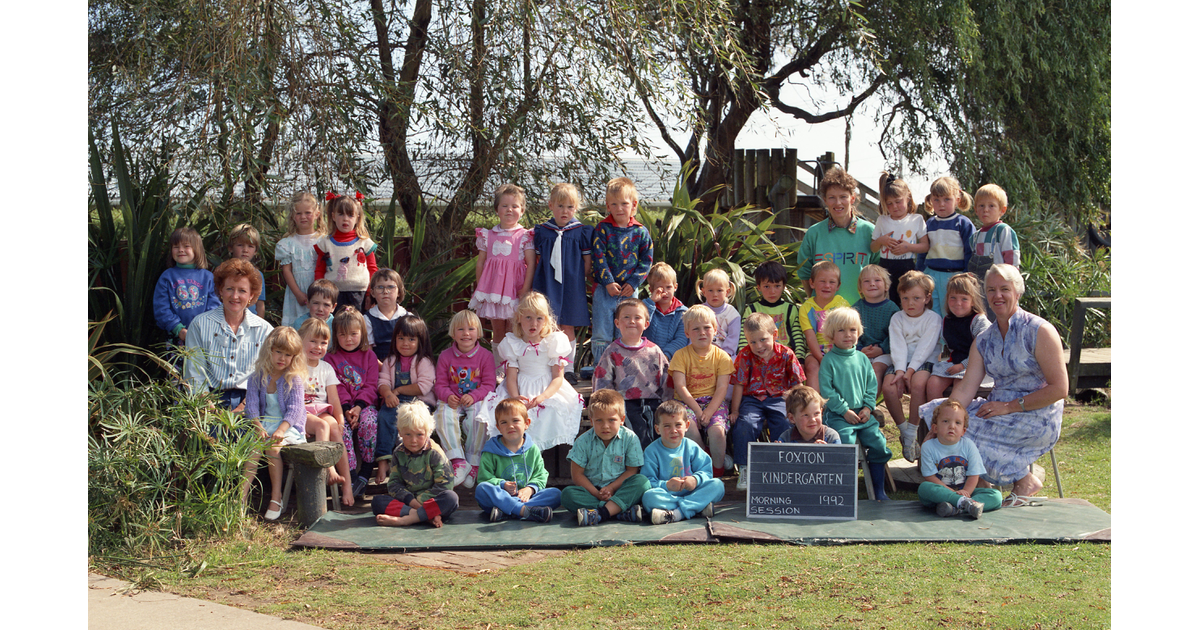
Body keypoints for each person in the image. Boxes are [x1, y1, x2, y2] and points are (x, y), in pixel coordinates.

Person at [918, 264, 1067, 507]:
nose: (997, 295)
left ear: (1018, 292)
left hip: (1037, 413)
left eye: (1004, 289)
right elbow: (966, 389)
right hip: (996, 407)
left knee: (968, 431)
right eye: (991, 290)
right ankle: (980, 491)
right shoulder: (984, 338)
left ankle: (1024, 480)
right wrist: (942, 420)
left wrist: (1009, 407)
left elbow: (1060, 389)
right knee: (943, 417)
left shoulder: (1040, 330)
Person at [475, 292, 583, 453]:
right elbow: (511, 378)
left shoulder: (553, 342)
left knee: (549, 410)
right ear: (519, 318)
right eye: (528, 318)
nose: (534, 323)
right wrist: (515, 396)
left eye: (539, 318)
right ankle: (513, 452)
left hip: (547, 386)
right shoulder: (513, 343)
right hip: (520, 386)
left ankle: (535, 455)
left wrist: (543, 397)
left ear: (546, 320)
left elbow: (557, 378)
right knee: (508, 410)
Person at [817, 307, 891, 500]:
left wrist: (868, 407)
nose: (848, 335)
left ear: (858, 332)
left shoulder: (862, 358)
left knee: (878, 442)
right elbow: (827, 391)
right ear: (831, 334)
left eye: (852, 330)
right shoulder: (829, 361)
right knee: (845, 445)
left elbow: (871, 385)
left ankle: (878, 490)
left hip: (863, 414)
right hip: (838, 415)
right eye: (841, 330)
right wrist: (844, 411)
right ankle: (844, 490)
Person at [184, 258, 274, 414]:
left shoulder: (265, 330)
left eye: (242, 290)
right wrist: (209, 408)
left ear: (252, 295)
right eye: (230, 289)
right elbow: (194, 373)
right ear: (220, 290)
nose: (235, 296)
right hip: (208, 403)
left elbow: (270, 374)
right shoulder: (199, 325)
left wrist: (246, 405)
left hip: (252, 404)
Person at [729, 312, 805, 490]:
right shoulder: (745, 355)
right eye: (753, 342)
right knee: (745, 424)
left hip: (780, 397)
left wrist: (797, 409)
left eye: (763, 339)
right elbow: (739, 384)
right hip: (752, 398)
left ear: (775, 334)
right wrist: (735, 410)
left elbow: (798, 384)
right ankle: (745, 467)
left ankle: (782, 466)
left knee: (784, 422)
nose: (758, 346)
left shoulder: (786, 354)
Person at [243, 326, 309, 520]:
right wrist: (257, 426)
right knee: (252, 448)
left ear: (294, 357)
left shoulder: (293, 379)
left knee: (273, 448)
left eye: (288, 355)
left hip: (288, 427)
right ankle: (241, 497)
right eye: (278, 352)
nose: (282, 358)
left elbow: (296, 410)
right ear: (269, 350)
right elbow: (251, 407)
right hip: (264, 424)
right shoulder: (257, 377)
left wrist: (281, 429)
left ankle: (276, 496)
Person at [562, 389, 651, 526]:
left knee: (642, 482)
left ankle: (599, 514)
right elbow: (577, 475)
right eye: (599, 420)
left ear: (621, 420)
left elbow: (632, 471)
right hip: (592, 491)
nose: (605, 426)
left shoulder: (630, 438)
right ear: (591, 421)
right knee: (568, 495)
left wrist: (611, 488)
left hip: (619, 489)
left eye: (611, 420)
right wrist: (597, 494)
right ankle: (619, 511)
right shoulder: (582, 441)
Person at [590, 176, 653, 369]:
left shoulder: (640, 232)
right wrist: (607, 281)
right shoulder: (602, 229)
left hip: (628, 290)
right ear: (608, 206)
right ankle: (601, 365)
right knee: (602, 329)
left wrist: (633, 283)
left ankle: (624, 364)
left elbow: (646, 260)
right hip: (604, 289)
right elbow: (598, 257)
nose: (619, 208)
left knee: (626, 327)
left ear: (633, 205)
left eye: (624, 204)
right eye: (614, 204)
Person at [532, 182, 593, 380]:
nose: (565, 211)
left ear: (575, 208)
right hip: (547, 283)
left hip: (572, 285)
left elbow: (587, 261)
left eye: (569, 207)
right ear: (551, 205)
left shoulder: (581, 232)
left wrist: (577, 279)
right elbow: (538, 258)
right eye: (560, 206)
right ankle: (547, 367)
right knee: (546, 324)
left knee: (568, 325)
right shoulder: (542, 231)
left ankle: (567, 369)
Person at [593, 298, 672, 449]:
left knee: (660, 434)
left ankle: (658, 466)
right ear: (617, 323)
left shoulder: (654, 351)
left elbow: (666, 380)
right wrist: (606, 406)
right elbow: (602, 381)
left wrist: (666, 403)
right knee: (637, 436)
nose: (632, 321)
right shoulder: (612, 351)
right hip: (625, 403)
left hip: (654, 402)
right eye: (626, 317)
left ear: (646, 324)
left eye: (637, 317)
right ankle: (638, 468)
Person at [881, 270, 942, 462]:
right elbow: (897, 346)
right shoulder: (897, 318)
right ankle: (905, 433)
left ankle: (913, 430)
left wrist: (909, 372)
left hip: (924, 361)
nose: (910, 303)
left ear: (927, 298)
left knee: (918, 385)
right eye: (905, 298)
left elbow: (926, 347)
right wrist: (900, 371)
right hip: (901, 361)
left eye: (916, 298)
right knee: (888, 387)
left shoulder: (933, 318)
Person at [433, 310, 497, 489]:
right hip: (452, 399)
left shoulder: (485, 356)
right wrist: (447, 396)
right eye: (460, 329)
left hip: (476, 399)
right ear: (453, 333)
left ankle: (473, 462)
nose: (466, 333)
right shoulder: (446, 356)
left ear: (479, 332)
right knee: (442, 415)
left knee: (479, 417)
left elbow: (489, 384)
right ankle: (458, 460)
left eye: (471, 328)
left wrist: (474, 395)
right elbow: (440, 385)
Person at [796, 165, 878, 304]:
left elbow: (880, 271)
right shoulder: (814, 234)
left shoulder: (870, 232)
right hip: (824, 316)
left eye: (843, 197)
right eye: (832, 197)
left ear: (852, 198)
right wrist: (816, 304)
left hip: (861, 314)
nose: (838, 202)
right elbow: (804, 273)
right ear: (825, 200)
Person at [669, 305, 735, 478]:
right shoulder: (681, 355)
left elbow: (722, 388)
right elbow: (680, 387)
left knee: (717, 432)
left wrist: (709, 411)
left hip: (714, 402)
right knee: (687, 428)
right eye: (696, 329)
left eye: (707, 328)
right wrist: (698, 412)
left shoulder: (722, 357)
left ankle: (718, 471)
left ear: (715, 330)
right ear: (687, 333)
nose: (702, 333)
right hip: (687, 402)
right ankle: (705, 458)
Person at [372, 402, 459, 528]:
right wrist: (412, 503)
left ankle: (407, 520)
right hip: (409, 503)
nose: (413, 440)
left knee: (451, 498)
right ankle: (424, 517)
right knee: (377, 502)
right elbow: (394, 484)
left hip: (432, 502)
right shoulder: (398, 452)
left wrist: (420, 501)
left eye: (419, 435)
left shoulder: (435, 453)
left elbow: (445, 485)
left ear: (428, 432)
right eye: (408, 434)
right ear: (400, 432)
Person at [475, 398, 561, 523]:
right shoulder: (490, 451)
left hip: (527, 498)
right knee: (482, 489)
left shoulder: (533, 449)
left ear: (527, 423)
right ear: (498, 427)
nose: (510, 426)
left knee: (556, 494)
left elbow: (541, 474)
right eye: (504, 422)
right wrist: (502, 484)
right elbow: (484, 478)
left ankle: (508, 512)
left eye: (515, 420)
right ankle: (524, 511)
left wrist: (530, 489)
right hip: (501, 497)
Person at [469, 183, 535, 346]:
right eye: (504, 205)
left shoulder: (525, 236)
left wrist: (525, 289)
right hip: (494, 292)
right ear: (497, 209)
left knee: (514, 329)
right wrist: (481, 288)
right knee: (497, 331)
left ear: (522, 210)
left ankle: (513, 368)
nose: (509, 210)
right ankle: (499, 368)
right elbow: (481, 263)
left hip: (515, 290)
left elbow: (531, 263)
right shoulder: (488, 235)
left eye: (515, 206)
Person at [297, 318, 354, 505]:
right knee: (322, 425)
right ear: (300, 340)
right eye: (313, 341)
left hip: (321, 410)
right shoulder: (295, 365)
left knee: (335, 429)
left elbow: (334, 399)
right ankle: (329, 470)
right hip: (302, 411)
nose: (318, 347)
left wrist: (340, 420)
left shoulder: (326, 368)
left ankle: (347, 486)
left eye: (323, 343)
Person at [323, 306, 379, 495]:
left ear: (362, 333)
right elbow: (336, 387)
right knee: (341, 430)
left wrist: (358, 407)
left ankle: (367, 469)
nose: (348, 339)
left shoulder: (369, 356)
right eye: (343, 334)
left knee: (369, 423)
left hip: (365, 405)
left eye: (354, 334)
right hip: (341, 407)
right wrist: (347, 409)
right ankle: (352, 475)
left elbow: (371, 385)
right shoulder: (331, 358)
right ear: (335, 335)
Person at [641, 400, 724, 524]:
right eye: (667, 426)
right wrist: (666, 485)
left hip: (693, 491)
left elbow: (706, 472)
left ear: (687, 426)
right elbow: (647, 481)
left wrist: (695, 480)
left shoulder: (692, 447)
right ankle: (697, 508)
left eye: (678, 425)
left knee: (718, 485)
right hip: (667, 494)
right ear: (657, 429)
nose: (673, 430)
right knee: (649, 497)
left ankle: (676, 513)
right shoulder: (651, 451)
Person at [376, 314, 436, 484]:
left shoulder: (424, 361)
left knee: (411, 421)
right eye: (401, 338)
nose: (405, 343)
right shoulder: (390, 361)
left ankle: (412, 466)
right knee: (385, 416)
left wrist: (399, 389)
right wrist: (387, 394)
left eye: (411, 339)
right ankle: (383, 461)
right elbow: (383, 382)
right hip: (395, 400)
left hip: (419, 402)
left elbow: (423, 386)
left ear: (420, 341)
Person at [918, 399, 1003, 518]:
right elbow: (930, 476)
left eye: (957, 423)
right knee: (924, 488)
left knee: (996, 496)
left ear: (963, 431)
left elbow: (974, 474)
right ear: (935, 428)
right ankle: (963, 504)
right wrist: (954, 494)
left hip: (965, 491)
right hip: (941, 494)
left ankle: (957, 508)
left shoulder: (968, 445)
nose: (952, 426)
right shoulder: (928, 446)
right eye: (946, 421)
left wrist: (966, 492)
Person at [924, 273, 990, 406]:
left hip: (974, 365)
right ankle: (936, 418)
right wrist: (943, 359)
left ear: (973, 301)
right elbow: (948, 347)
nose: (958, 303)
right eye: (953, 298)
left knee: (960, 385)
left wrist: (962, 366)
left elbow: (982, 350)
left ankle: (957, 420)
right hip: (953, 363)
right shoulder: (947, 320)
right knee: (933, 384)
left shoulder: (979, 321)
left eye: (964, 299)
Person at [153, 226, 219, 346]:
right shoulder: (167, 277)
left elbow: (214, 305)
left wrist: (204, 327)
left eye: (186, 246)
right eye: (176, 247)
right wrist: (179, 330)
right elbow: (161, 308)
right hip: (176, 337)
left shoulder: (208, 277)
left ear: (197, 249)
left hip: (205, 335)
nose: (180, 250)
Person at [314, 192, 378, 313]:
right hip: (332, 295)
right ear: (333, 216)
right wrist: (319, 293)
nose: (345, 219)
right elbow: (319, 270)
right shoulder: (325, 243)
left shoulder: (364, 243)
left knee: (357, 328)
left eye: (350, 215)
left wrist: (371, 293)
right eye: (341, 214)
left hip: (360, 295)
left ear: (357, 217)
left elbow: (372, 269)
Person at [871, 172, 929, 306]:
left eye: (898, 201)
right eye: (889, 203)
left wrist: (908, 247)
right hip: (885, 267)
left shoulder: (917, 219)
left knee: (907, 301)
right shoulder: (882, 220)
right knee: (886, 302)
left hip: (907, 267)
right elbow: (872, 248)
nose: (894, 206)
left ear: (908, 198)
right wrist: (881, 241)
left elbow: (925, 246)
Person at [921, 176, 975, 316]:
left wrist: (966, 274)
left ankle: (948, 338)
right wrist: (919, 272)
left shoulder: (963, 223)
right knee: (931, 312)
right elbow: (923, 250)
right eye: (937, 200)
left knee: (950, 312)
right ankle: (933, 338)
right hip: (930, 274)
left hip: (953, 276)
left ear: (957, 200)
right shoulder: (929, 224)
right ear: (931, 200)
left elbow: (971, 251)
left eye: (947, 199)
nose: (941, 204)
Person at [967, 184, 1020, 321]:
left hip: (999, 288)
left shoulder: (1003, 231)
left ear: (1002, 210)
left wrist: (1011, 286)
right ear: (976, 210)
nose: (986, 210)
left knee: (1002, 319)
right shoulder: (975, 236)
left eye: (991, 206)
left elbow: (1012, 260)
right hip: (979, 291)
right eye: (981, 206)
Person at [799, 260, 853, 391]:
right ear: (812, 283)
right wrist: (821, 359)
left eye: (832, 282)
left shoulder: (842, 305)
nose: (827, 286)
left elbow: (847, 333)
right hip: (816, 350)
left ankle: (845, 405)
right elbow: (810, 337)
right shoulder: (806, 308)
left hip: (838, 348)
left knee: (845, 367)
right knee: (811, 366)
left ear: (838, 285)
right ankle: (814, 405)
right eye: (822, 281)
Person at [737, 260, 806, 358]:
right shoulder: (751, 310)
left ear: (784, 286)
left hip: (785, 359)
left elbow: (798, 339)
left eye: (777, 286)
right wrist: (744, 358)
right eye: (766, 286)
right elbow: (744, 337)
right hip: (758, 358)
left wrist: (800, 359)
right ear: (758, 287)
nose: (772, 291)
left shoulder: (790, 309)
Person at [276, 192, 325, 326]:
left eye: (307, 212)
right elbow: (287, 271)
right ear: (293, 216)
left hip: (320, 293)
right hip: (296, 294)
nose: (303, 217)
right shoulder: (287, 244)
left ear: (317, 214)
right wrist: (298, 293)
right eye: (298, 213)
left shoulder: (324, 240)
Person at [852, 264, 900, 398]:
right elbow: (851, 333)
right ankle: (854, 405)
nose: (872, 284)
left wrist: (882, 349)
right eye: (866, 281)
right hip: (861, 351)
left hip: (885, 352)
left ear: (886, 286)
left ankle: (869, 407)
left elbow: (895, 335)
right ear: (860, 288)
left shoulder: (892, 309)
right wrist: (860, 349)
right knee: (852, 370)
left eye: (877, 280)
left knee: (876, 369)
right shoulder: (856, 308)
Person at [642, 262, 688, 360]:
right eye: (660, 288)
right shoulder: (645, 307)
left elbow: (681, 339)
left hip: (670, 359)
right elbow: (639, 327)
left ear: (675, 287)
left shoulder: (683, 313)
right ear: (651, 289)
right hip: (645, 358)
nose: (665, 292)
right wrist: (651, 302)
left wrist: (665, 356)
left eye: (668, 287)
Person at [364, 269, 409, 362]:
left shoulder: (407, 317)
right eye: (380, 287)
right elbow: (368, 351)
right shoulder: (367, 319)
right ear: (372, 293)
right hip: (378, 366)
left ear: (399, 292)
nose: (385, 291)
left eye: (390, 287)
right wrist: (383, 368)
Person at [696, 267, 741, 358]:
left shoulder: (732, 314)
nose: (715, 294)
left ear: (727, 292)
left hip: (725, 356)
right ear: (703, 291)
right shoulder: (698, 312)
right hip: (701, 354)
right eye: (710, 290)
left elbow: (733, 338)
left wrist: (723, 355)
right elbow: (693, 334)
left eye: (719, 290)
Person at [775, 385, 841, 444]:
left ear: (821, 412)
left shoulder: (831, 437)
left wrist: (826, 451)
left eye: (816, 413)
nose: (812, 420)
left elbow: (839, 457)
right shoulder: (786, 438)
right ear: (792, 418)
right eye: (806, 415)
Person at [228, 223, 268, 316]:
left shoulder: (257, 275)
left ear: (256, 251)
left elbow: (260, 304)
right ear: (230, 248)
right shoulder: (224, 272)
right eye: (240, 245)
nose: (245, 250)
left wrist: (260, 325)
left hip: (250, 322)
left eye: (250, 246)